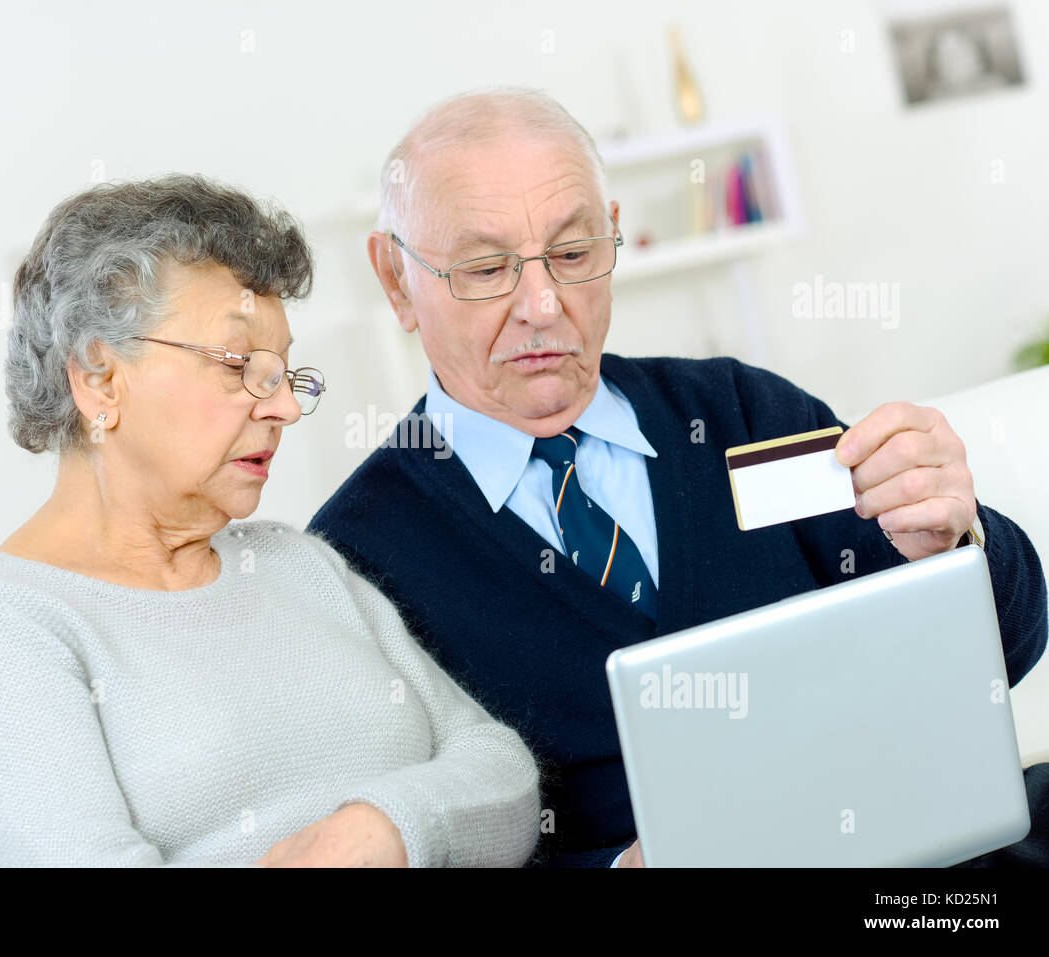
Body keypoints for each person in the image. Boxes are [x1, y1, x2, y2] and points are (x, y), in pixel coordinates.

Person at [307, 88, 1049, 867]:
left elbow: (1008, 649)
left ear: (616, 234)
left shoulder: (737, 409)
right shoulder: (353, 564)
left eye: (573, 253)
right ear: (396, 279)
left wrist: (956, 544)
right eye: (487, 268)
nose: (542, 304)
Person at [0, 173, 540, 867]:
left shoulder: (299, 562)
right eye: (240, 365)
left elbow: (500, 767)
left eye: (285, 374)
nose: (285, 408)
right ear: (98, 377)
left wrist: (387, 827)